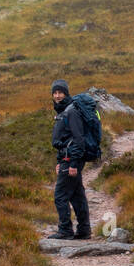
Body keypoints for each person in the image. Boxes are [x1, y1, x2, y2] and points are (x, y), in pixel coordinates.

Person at [49, 79, 91, 239]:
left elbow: (78, 139)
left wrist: (73, 163)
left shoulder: (71, 111)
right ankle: (84, 230)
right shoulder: (63, 110)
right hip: (67, 159)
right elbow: (65, 139)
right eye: (55, 93)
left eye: (60, 92)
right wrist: (60, 161)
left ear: (66, 93)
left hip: (71, 159)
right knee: (77, 195)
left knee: (60, 196)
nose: (57, 95)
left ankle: (65, 230)